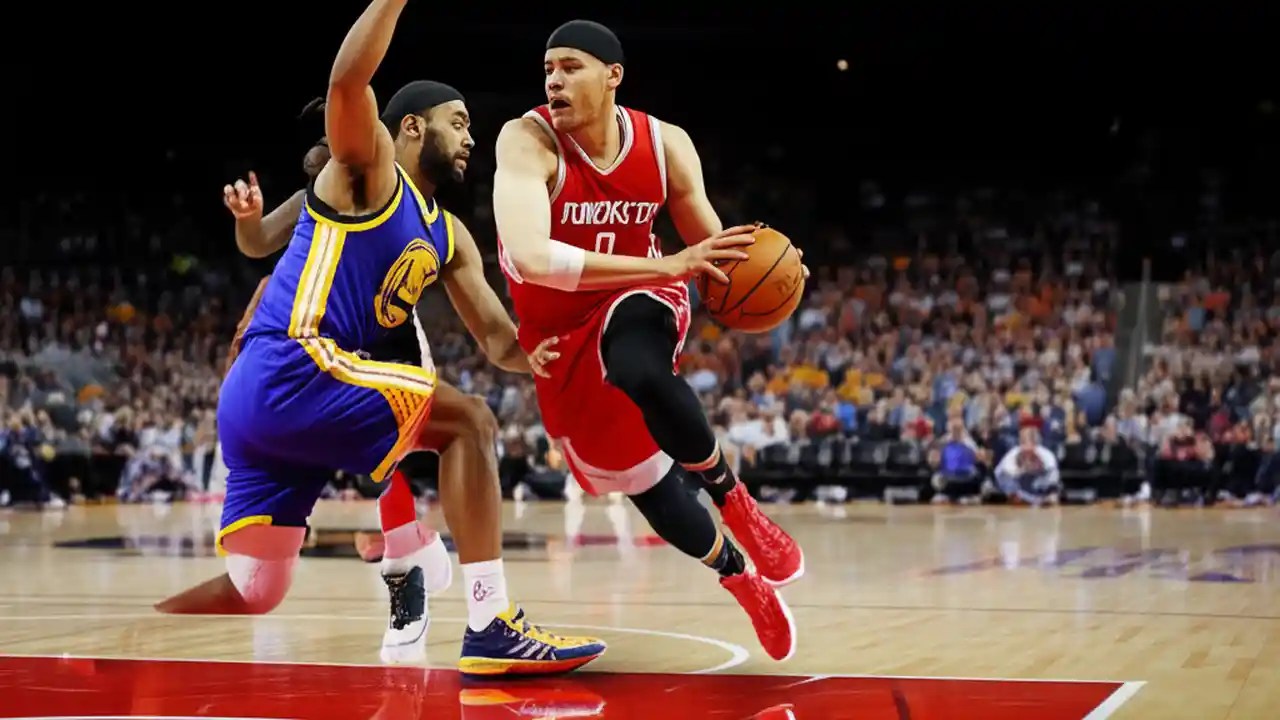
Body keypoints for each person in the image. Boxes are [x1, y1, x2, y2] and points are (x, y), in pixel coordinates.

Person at [156, 0, 605, 677]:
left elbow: (496, 337)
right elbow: (345, 84)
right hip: (296, 363)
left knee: (256, 590)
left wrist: (546, 353)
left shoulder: (451, 236)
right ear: (412, 127)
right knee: (469, 423)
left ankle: (140, 632)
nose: (470, 138)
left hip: (266, 408)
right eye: (460, 124)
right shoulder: (365, 170)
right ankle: (490, 621)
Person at [493, 19, 805, 661]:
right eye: (548, 67)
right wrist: (668, 264)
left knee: (637, 363)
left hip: (639, 299)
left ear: (613, 76)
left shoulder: (665, 145)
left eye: (571, 66)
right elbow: (529, 254)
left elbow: (713, 261)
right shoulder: (526, 141)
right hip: (556, 334)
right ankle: (741, 577)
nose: (553, 79)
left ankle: (735, 498)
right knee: (644, 484)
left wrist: (772, 265)